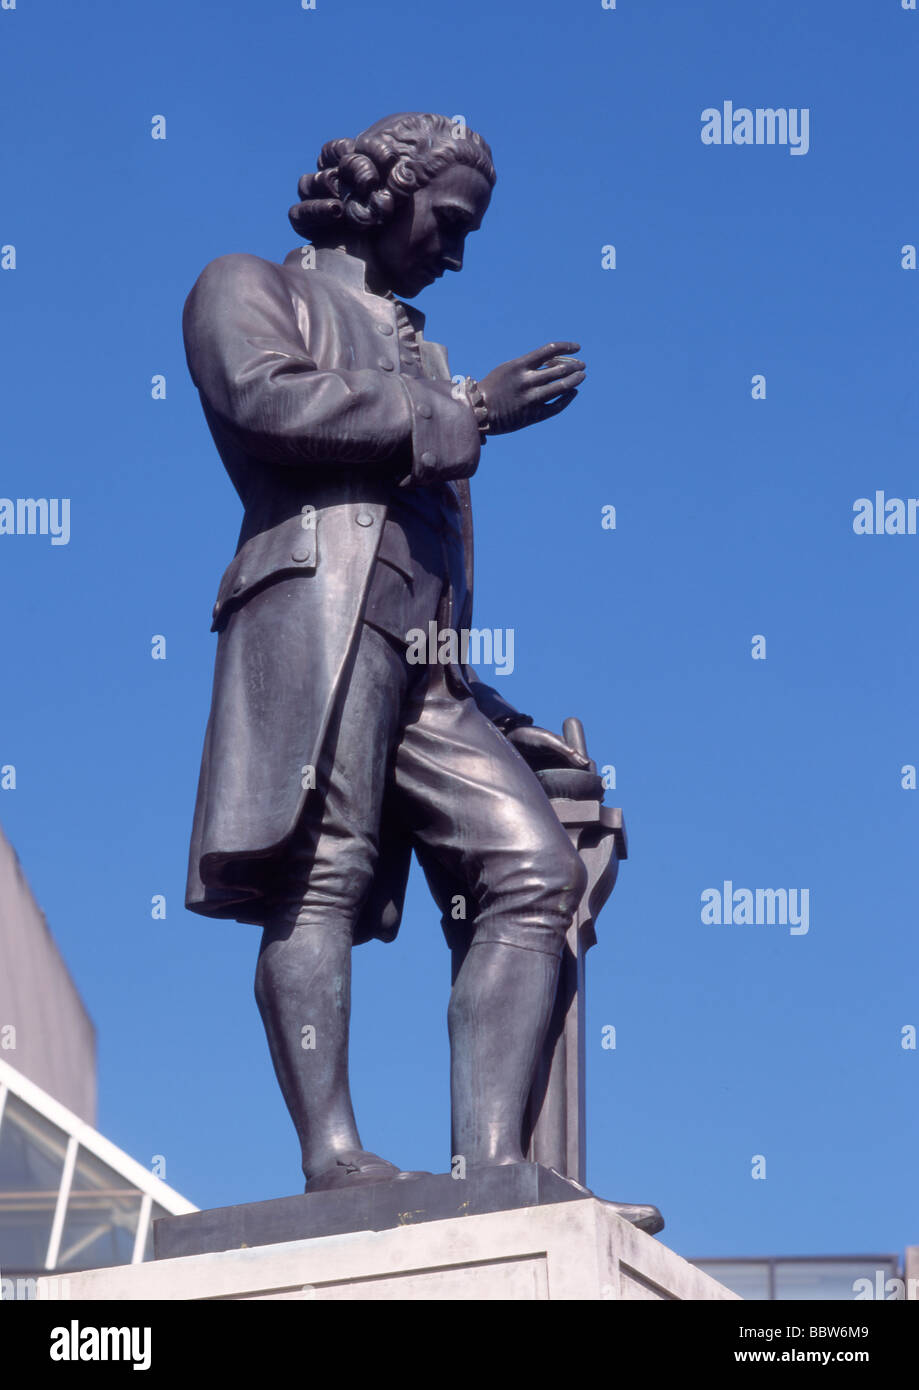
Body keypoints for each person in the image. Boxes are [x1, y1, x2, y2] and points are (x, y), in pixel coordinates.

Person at [183, 112, 600, 1193]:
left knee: (534, 870)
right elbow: (268, 399)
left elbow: (434, 571)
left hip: (426, 668)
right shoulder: (247, 287)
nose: (454, 254)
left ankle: (492, 1163)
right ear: (383, 190)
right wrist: (462, 408)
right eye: (448, 221)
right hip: (315, 627)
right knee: (319, 874)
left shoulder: (421, 352)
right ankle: (332, 1155)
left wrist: (501, 721)